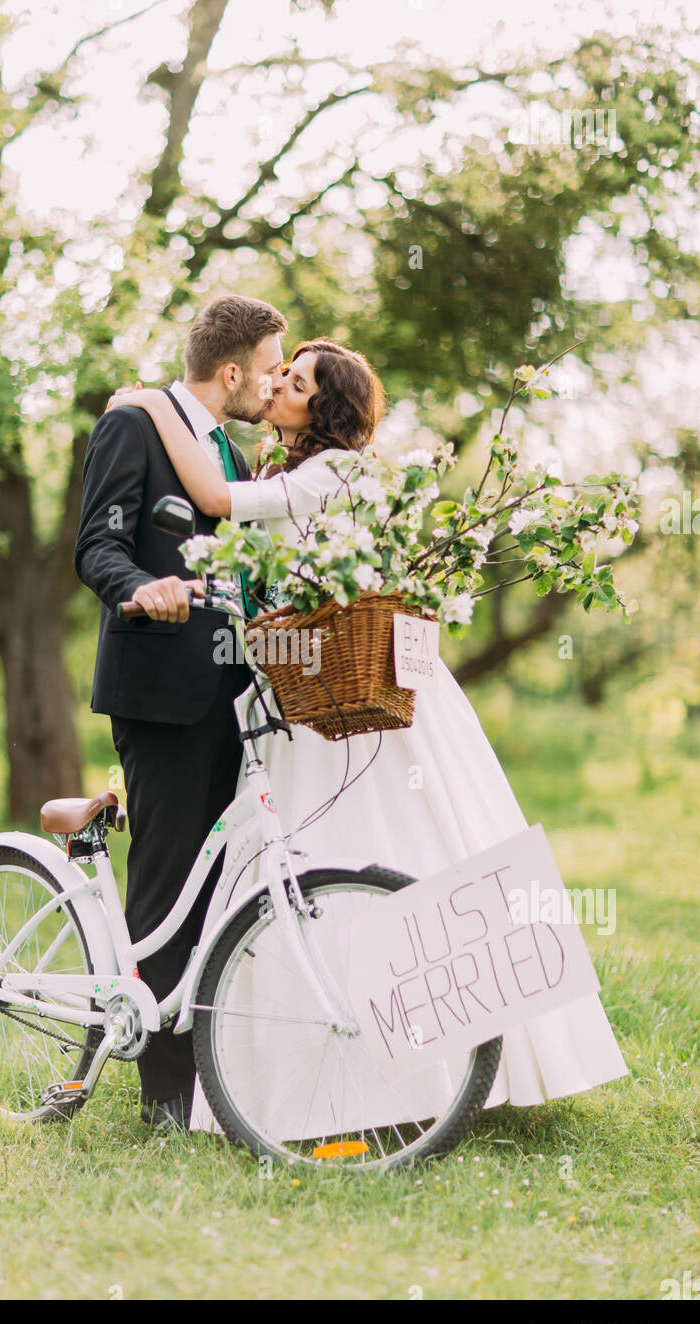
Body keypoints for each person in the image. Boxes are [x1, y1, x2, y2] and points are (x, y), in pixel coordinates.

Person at [104, 339, 629, 1137]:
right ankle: (322, 1072)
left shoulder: (335, 471)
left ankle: (401, 1076)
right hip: (310, 692)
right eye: (278, 373)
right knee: (307, 874)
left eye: (297, 381)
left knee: (370, 859)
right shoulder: (285, 473)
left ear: (327, 409)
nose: (279, 385)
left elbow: (210, 496)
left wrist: (145, 402)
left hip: (347, 702)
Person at [75, 293, 288, 1134]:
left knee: (216, 894)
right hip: (161, 695)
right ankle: (161, 1101)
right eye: (270, 370)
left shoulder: (230, 458)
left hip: (232, 697)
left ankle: (207, 1086)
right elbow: (99, 545)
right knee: (166, 890)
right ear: (231, 372)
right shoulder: (133, 426)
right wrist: (141, 589)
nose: (274, 387)